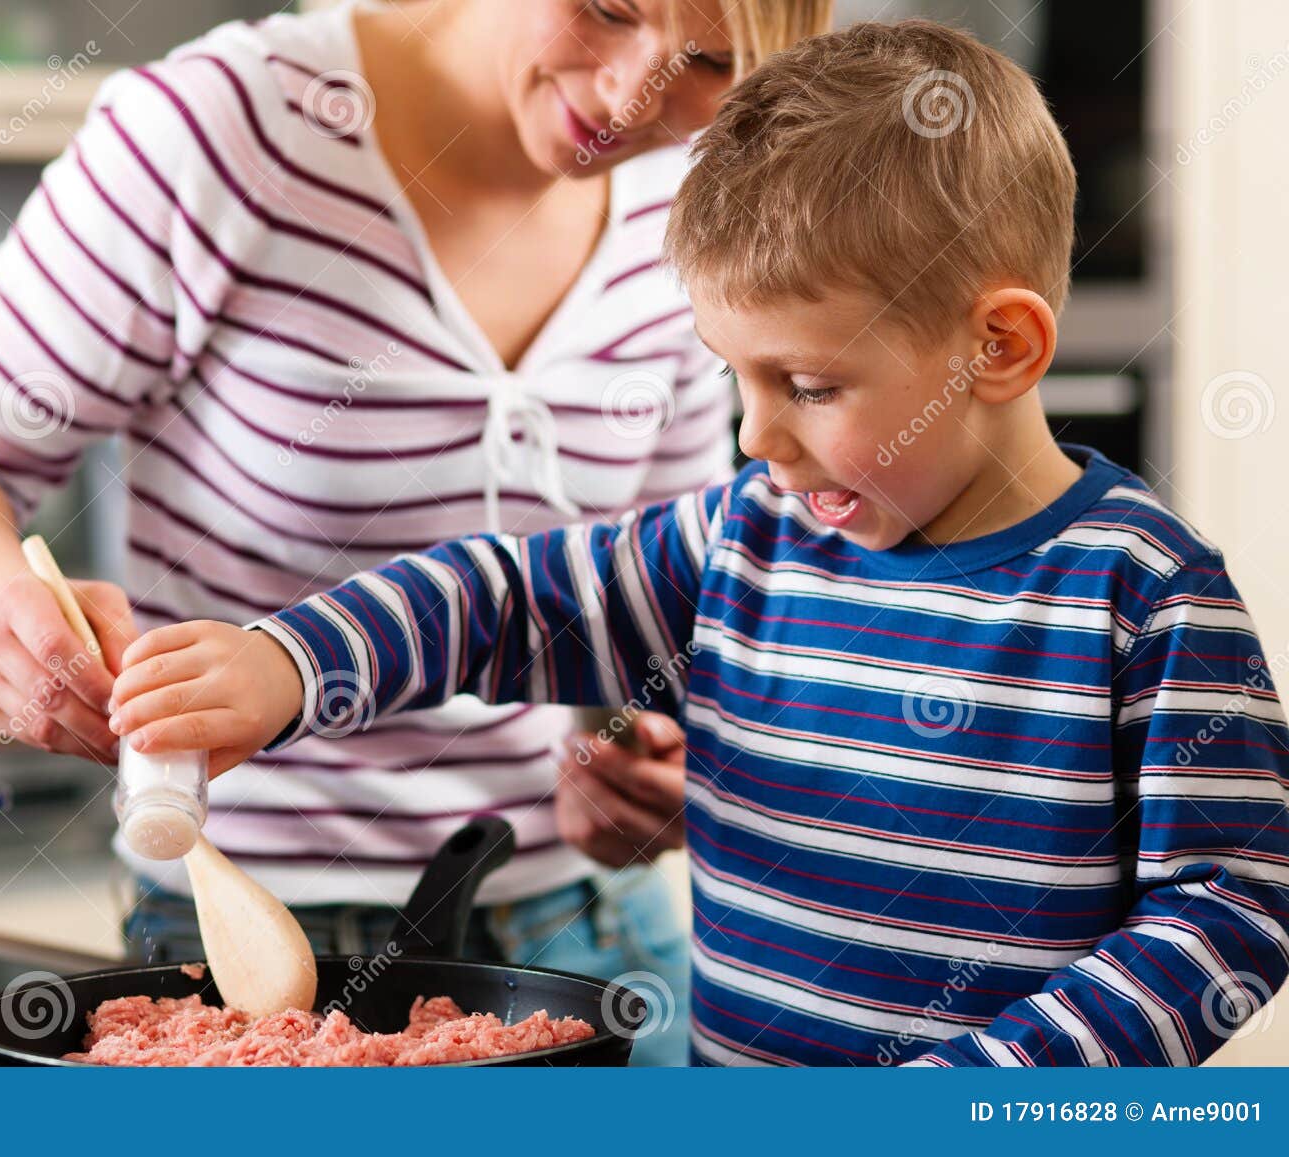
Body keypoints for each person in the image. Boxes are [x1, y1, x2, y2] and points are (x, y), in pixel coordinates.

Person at [98, 19, 1289, 1066]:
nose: (755, 433)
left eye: (809, 383)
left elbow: (1226, 910)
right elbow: (503, 595)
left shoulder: (1144, 595)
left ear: (1001, 348)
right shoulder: (742, 544)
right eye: (736, 378)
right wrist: (293, 665)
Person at [0, 0, 833, 1066]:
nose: (631, 94)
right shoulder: (223, 131)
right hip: (245, 946)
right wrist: (1, 615)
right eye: (607, 9)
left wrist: (652, 759)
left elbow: (656, 592)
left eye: (707, 60)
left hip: (590, 939)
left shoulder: (699, 193)